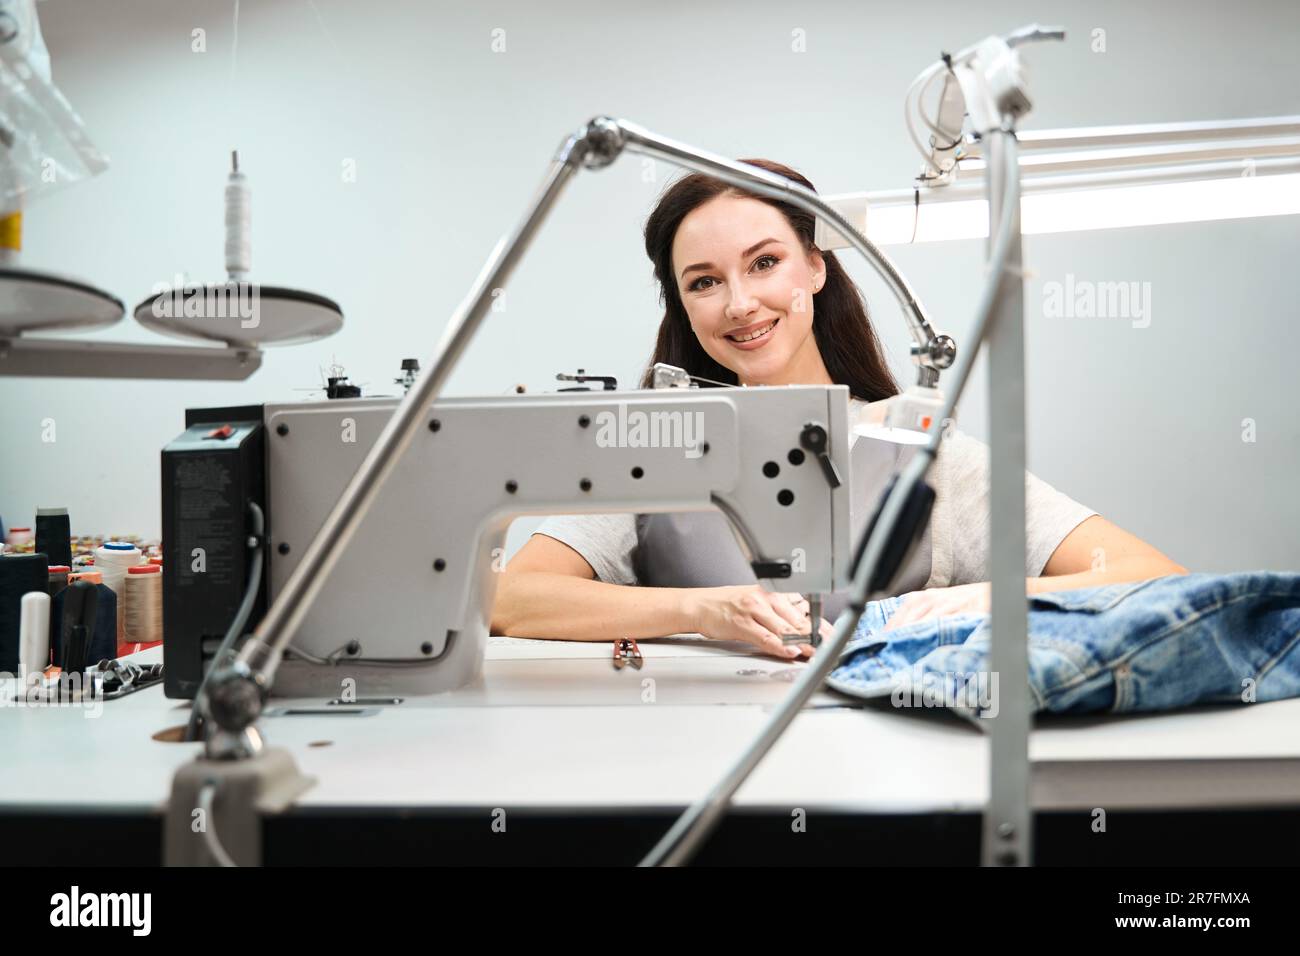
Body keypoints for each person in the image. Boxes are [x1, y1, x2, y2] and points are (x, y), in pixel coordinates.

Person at [490, 159, 1186, 659]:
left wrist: (999, 597)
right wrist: (704, 611)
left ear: (816, 267)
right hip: (692, 766)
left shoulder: (924, 457)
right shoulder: (653, 448)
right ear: (683, 305)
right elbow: (506, 600)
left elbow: (1154, 575)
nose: (738, 303)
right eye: (704, 282)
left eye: (764, 263)